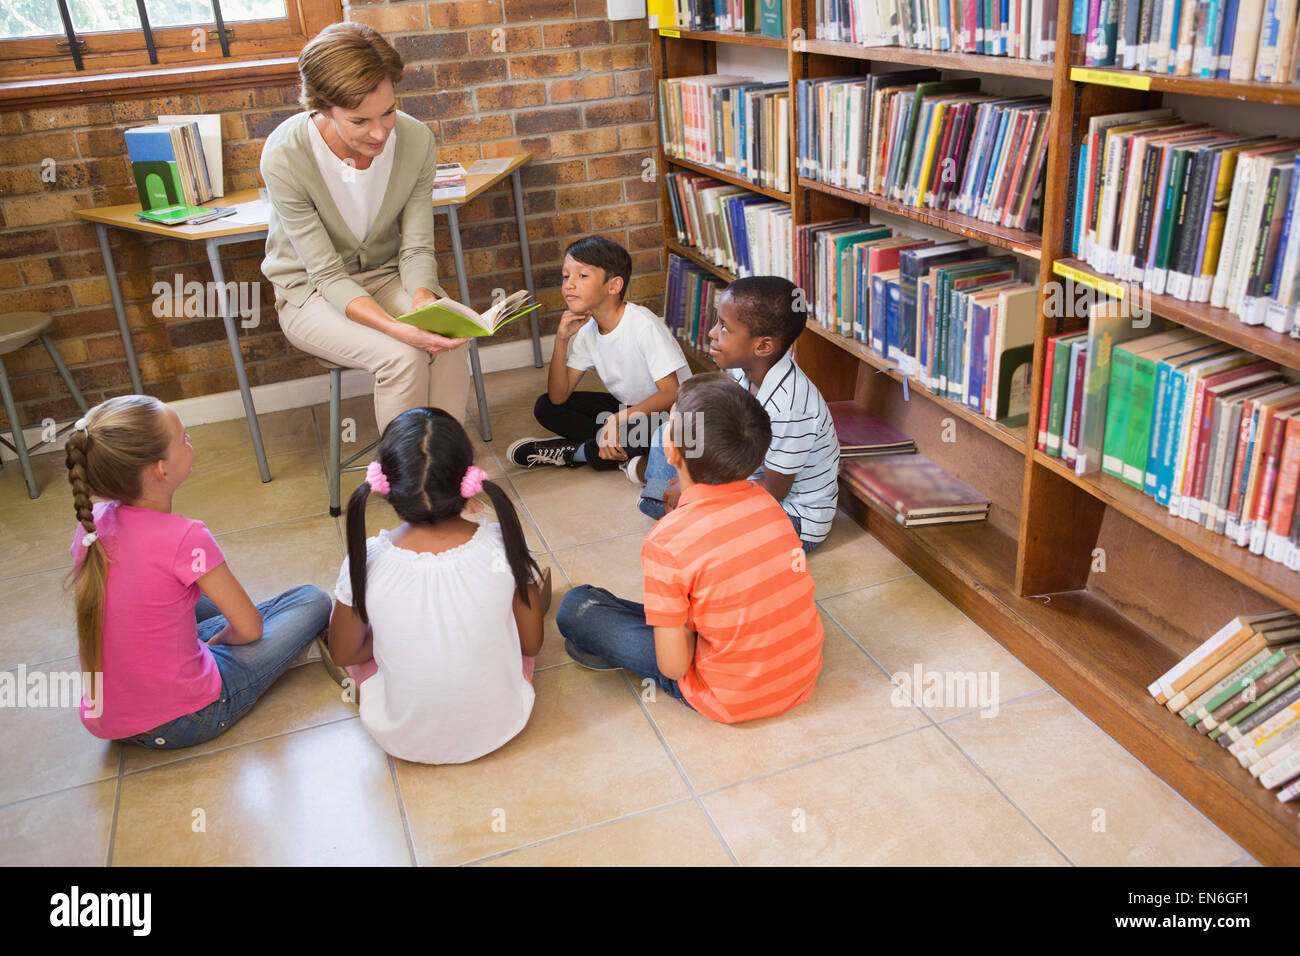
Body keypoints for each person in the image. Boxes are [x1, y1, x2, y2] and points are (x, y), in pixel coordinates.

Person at [65, 395, 331, 749]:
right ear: (161, 470)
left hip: (110, 722)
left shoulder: (91, 525)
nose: (190, 441)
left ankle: (198, 642)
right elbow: (249, 630)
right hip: (185, 720)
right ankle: (225, 647)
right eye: (184, 438)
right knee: (311, 600)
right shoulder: (187, 537)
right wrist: (215, 643)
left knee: (187, 594)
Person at [557, 374, 824, 724]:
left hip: (728, 694)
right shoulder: (770, 503)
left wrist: (681, 627)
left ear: (671, 451)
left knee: (576, 605)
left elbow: (674, 665)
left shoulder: (667, 542)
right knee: (688, 609)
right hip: (800, 670)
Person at [260, 21, 471, 433]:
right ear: (321, 109)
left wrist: (423, 300)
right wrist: (398, 330)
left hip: (385, 276)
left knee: (449, 340)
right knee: (402, 357)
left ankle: (448, 474)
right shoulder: (284, 156)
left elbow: (415, 248)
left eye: (389, 111)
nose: (380, 132)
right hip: (309, 293)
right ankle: (408, 487)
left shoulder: (416, 140)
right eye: (359, 121)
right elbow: (326, 274)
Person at [326, 407, 546, 764]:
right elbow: (531, 643)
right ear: (467, 480)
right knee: (519, 604)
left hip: (402, 736)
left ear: (385, 488)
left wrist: (394, 639)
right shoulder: (503, 544)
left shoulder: (365, 559)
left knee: (348, 637)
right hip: (502, 722)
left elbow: (345, 654)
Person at [636, 276, 840, 551]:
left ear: (763, 346)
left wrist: (695, 489)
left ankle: (672, 506)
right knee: (669, 431)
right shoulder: (746, 368)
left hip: (793, 519)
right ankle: (676, 508)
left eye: (724, 328)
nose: (711, 332)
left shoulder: (790, 408)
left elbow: (774, 491)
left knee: (710, 537)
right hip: (748, 475)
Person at [506, 236, 690, 476]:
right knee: (546, 406)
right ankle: (619, 451)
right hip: (629, 411)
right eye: (566, 276)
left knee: (638, 435)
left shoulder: (642, 324)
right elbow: (558, 396)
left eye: (582, 276)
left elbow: (671, 393)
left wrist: (615, 420)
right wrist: (561, 340)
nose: (569, 284)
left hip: (673, 416)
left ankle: (574, 452)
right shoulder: (587, 331)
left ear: (613, 286)